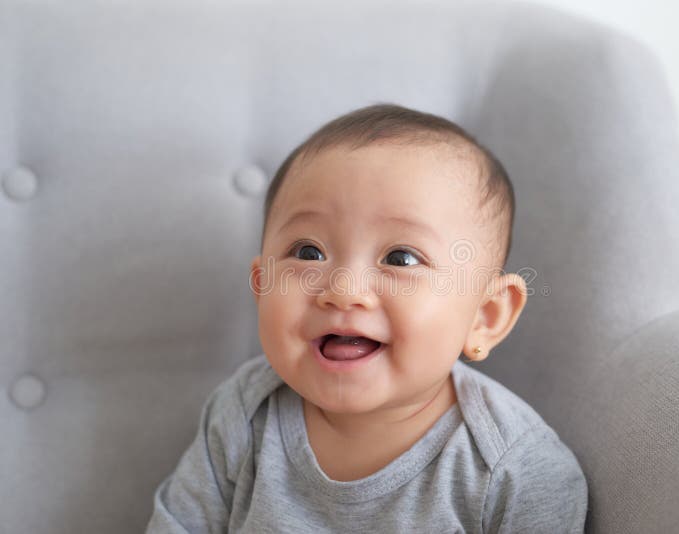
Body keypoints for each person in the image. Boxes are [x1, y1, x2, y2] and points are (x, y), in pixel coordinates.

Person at [146, 103, 588, 533]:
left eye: (400, 258)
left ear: (484, 317)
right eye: (308, 252)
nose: (344, 290)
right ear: (262, 288)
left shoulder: (516, 471)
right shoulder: (244, 412)